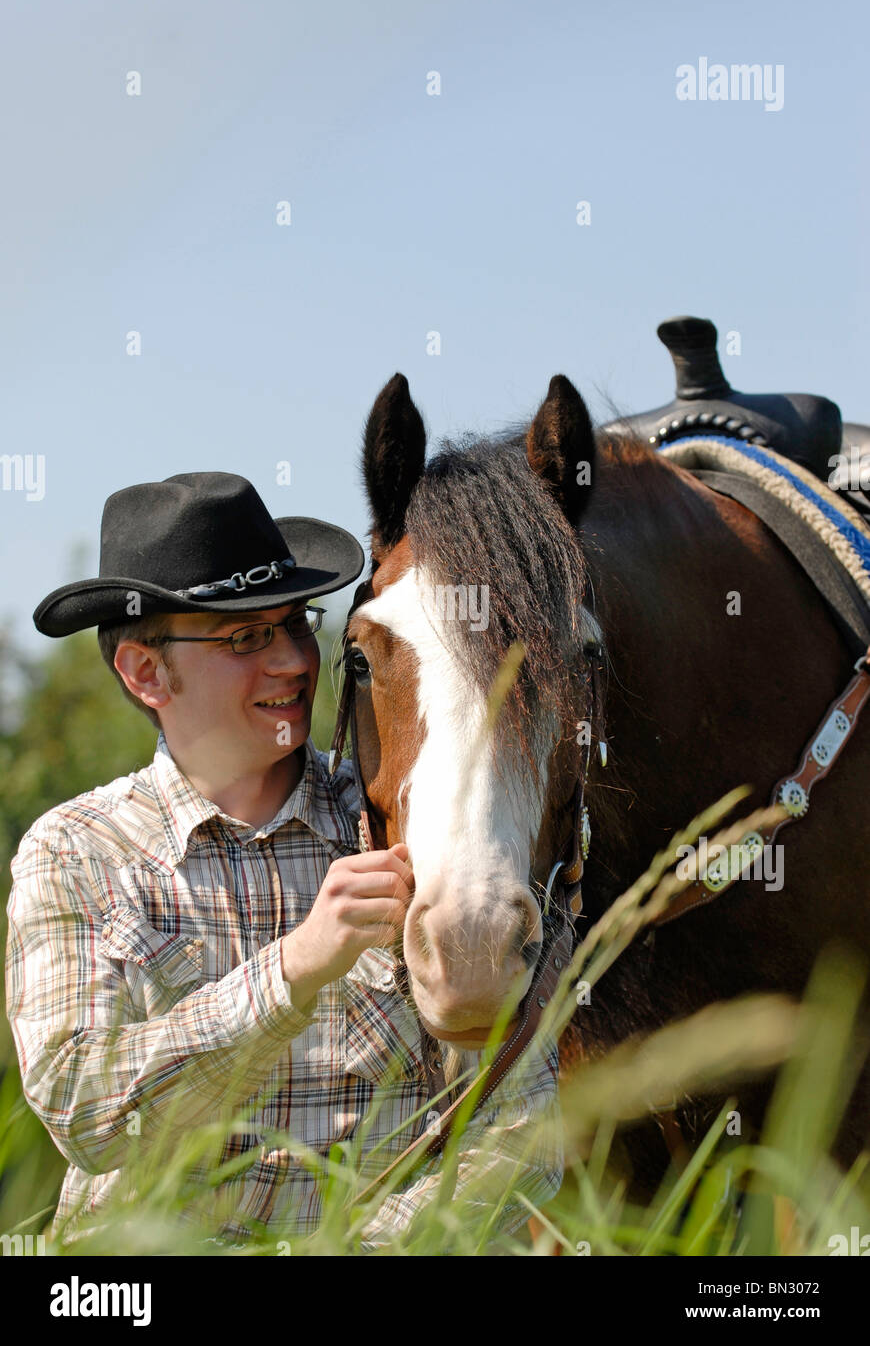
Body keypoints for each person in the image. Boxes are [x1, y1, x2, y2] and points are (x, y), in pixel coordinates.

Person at [5, 471, 562, 1250]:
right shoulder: (75, 852)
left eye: (296, 623)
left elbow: (523, 1124)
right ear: (145, 672)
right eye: (244, 638)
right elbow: (84, 1112)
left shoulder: (400, 823)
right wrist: (293, 970)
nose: (296, 661)